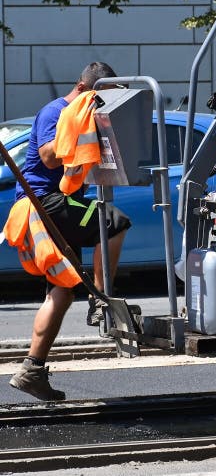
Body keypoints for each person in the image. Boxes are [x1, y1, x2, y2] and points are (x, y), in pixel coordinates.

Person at [8, 62, 131, 401]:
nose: (101, 106)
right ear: (85, 89)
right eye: (100, 98)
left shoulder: (81, 114)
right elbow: (49, 157)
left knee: (60, 293)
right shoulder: (56, 111)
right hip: (45, 202)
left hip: (53, 203)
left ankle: (31, 371)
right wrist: (77, 130)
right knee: (115, 222)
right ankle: (101, 299)